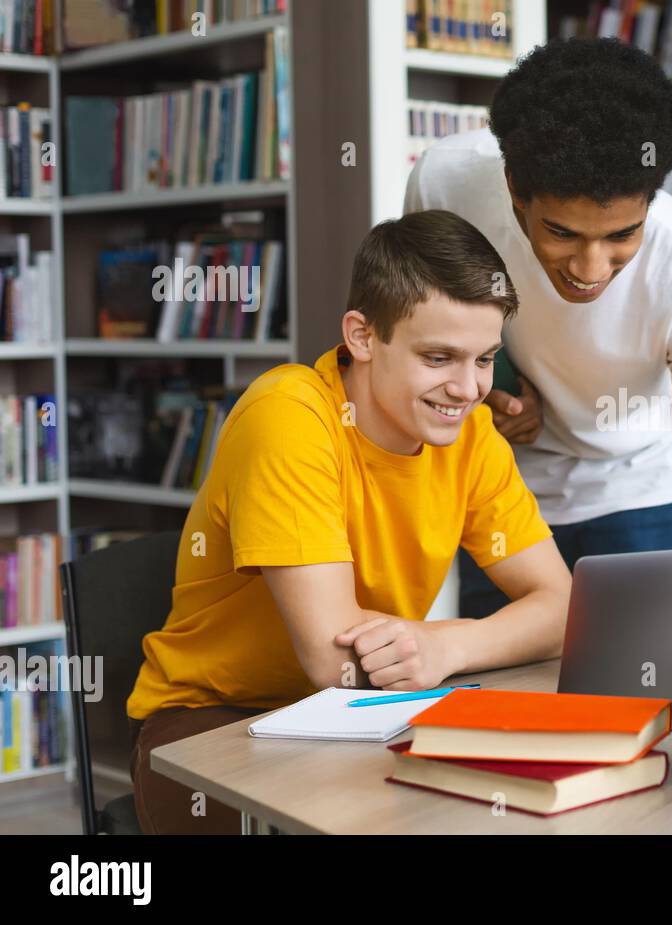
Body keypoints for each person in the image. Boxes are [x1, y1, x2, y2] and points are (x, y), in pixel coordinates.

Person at [125, 210, 571, 834]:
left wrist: (448, 645)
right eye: (439, 357)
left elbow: (560, 606)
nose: (468, 389)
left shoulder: (471, 437)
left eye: (485, 359)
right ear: (362, 337)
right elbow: (331, 658)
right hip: (219, 721)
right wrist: (446, 644)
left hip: (370, 715)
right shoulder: (288, 417)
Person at [405, 38, 672, 618]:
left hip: (637, 494)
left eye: (622, 235)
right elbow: (430, 324)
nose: (591, 271)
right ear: (516, 188)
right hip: (501, 498)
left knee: (639, 689)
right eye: (563, 233)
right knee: (502, 696)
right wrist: (491, 389)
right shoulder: (447, 186)